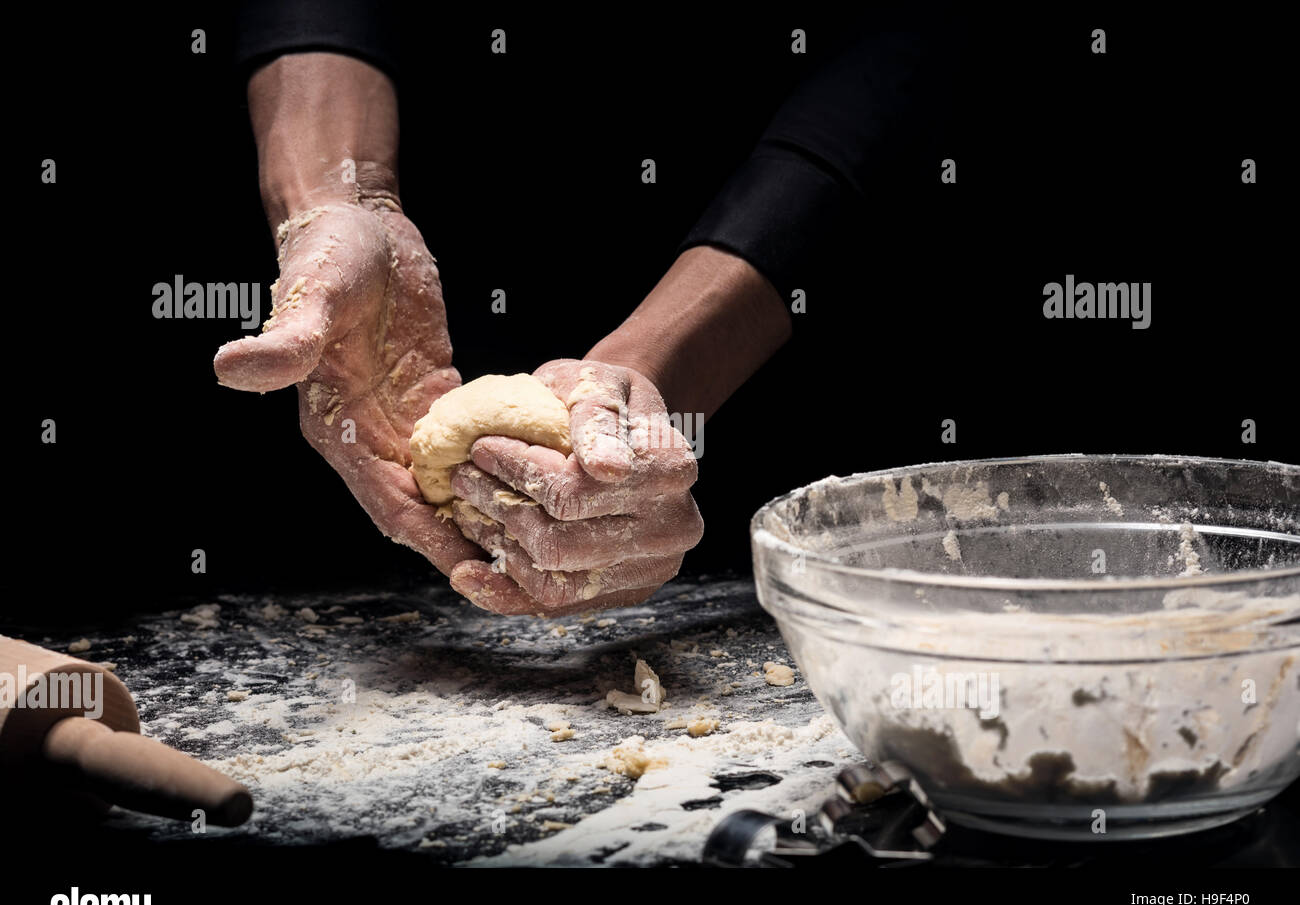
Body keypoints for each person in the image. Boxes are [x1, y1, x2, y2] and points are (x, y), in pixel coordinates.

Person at [215, 3, 954, 615]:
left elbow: (913, 39)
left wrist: (647, 366)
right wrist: (344, 200)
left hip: (778, 340)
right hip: (400, 350)